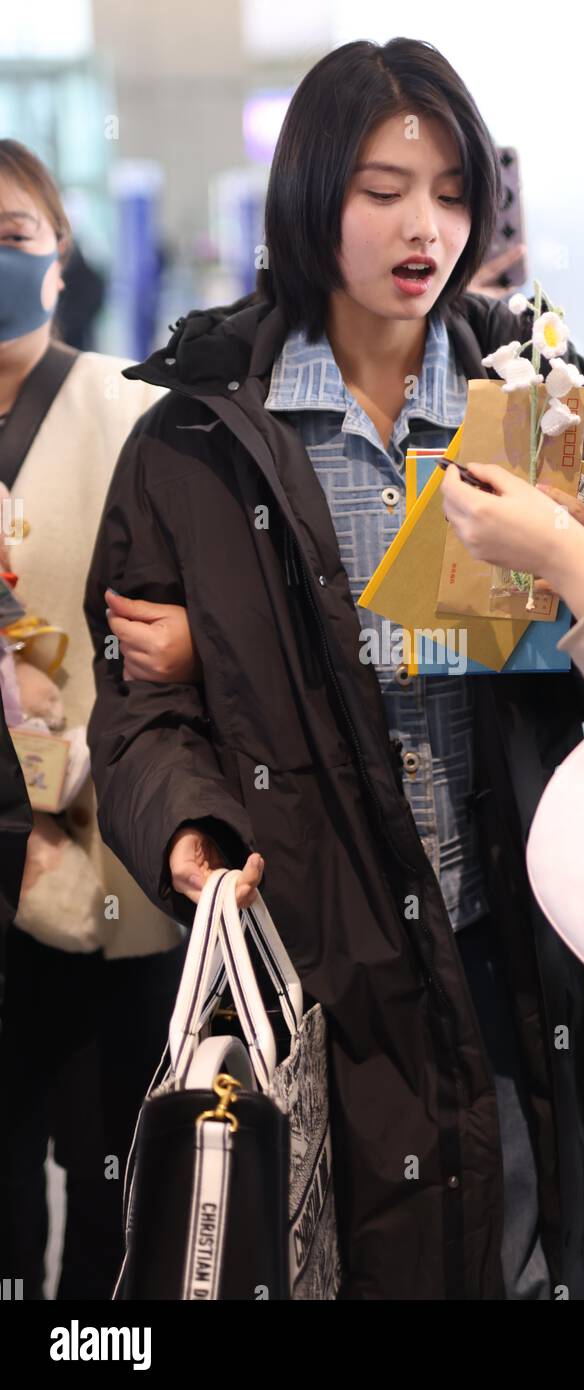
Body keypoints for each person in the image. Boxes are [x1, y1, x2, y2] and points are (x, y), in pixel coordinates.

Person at [83, 37, 584, 1301]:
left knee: (516, 1257)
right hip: (306, 961)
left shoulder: (541, 408)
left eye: (450, 193)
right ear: (310, 192)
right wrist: (185, 831)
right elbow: (139, 703)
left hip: (508, 945)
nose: (422, 226)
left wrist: (583, 554)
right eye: (382, 189)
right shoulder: (202, 438)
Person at [0, 139, 193, 1300]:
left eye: (14, 236)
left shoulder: (137, 412)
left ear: (61, 262)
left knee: (111, 1164)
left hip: (95, 849)